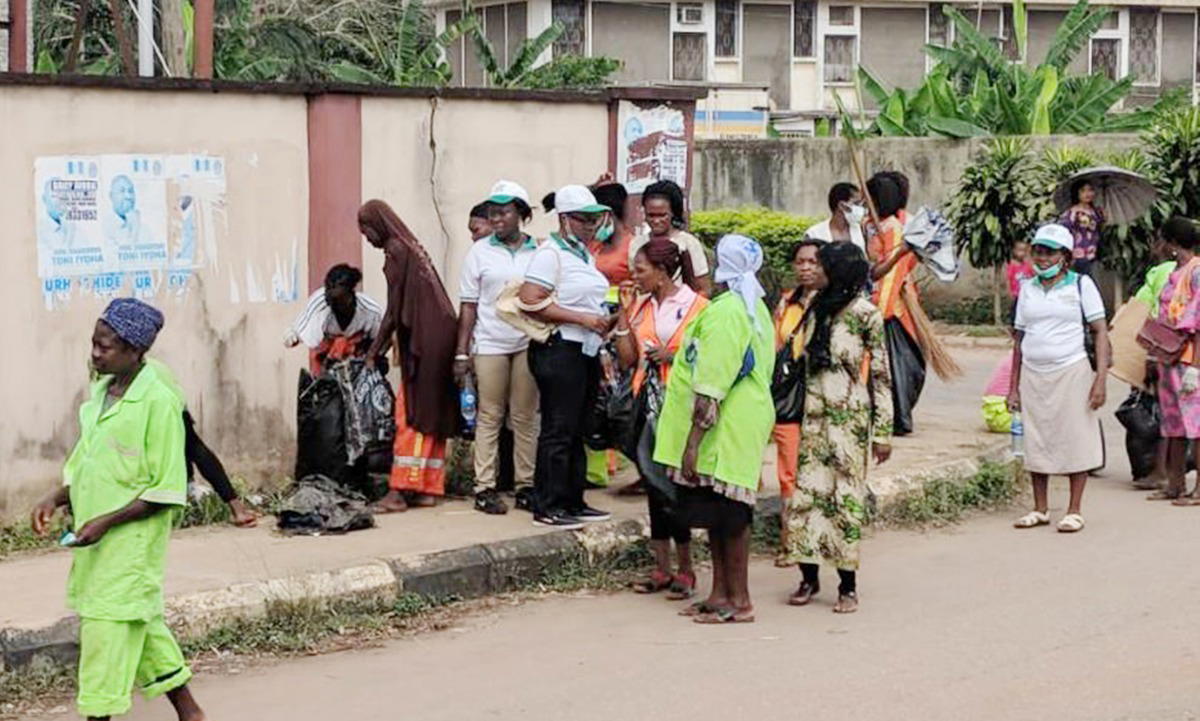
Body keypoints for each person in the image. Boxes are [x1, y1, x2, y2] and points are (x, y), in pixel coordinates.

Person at [31, 298, 205, 721]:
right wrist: (56, 497)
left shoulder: (158, 403)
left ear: (135, 350)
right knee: (138, 623)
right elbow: (90, 462)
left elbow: (165, 488)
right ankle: (190, 712)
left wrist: (107, 522)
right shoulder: (101, 394)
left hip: (130, 545)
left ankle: (98, 715)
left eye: (104, 347)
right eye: (93, 343)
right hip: (97, 542)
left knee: (104, 635)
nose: (94, 354)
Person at [653, 234, 775, 625]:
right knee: (719, 514)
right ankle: (720, 593)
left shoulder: (727, 313)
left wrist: (692, 444)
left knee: (732, 516)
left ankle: (738, 600)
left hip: (725, 427)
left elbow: (712, 384)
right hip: (737, 423)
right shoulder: (751, 306)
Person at [780, 242, 892, 614]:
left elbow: (881, 376)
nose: (815, 271)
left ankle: (847, 584)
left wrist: (883, 432)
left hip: (850, 420)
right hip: (813, 417)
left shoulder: (866, 315)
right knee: (807, 497)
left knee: (845, 499)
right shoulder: (815, 307)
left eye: (823, 265)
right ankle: (808, 576)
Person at [517, 184, 617, 528]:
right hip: (560, 348)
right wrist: (581, 319)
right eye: (583, 219)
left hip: (586, 348)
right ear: (564, 219)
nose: (590, 225)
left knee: (578, 428)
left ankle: (573, 499)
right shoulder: (550, 254)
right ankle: (548, 504)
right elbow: (529, 299)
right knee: (558, 428)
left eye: (594, 219)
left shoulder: (583, 255)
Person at [614, 238, 707, 598]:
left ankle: (686, 568)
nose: (634, 276)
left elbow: (709, 354)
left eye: (641, 270)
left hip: (679, 405)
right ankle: (662, 568)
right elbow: (627, 359)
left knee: (674, 486)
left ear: (663, 271)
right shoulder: (640, 305)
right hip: (647, 404)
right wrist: (623, 315)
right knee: (653, 485)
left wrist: (674, 356)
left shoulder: (697, 306)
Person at [360, 200, 460, 513]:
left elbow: (393, 310)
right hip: (441, 337)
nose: (366, 237)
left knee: (412, 413)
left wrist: (372, 352)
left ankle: (400, 490)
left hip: (425, 342)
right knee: (432, 412)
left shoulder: (395, 250)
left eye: (366, 229)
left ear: (378, 225)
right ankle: (428, 487)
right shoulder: (412, 247)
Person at [1009, 223, 1109, 533]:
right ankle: (1040, 508)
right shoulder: (1028, 288)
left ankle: (1074, 510)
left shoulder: (1081, 285)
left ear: (1065, 257)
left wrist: (1100, 380)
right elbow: (1019, 339)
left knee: (1074, 437)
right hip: (1034, 374)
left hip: (1071, 370)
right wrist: (1013, 387)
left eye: (1049, 253)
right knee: (1037, 440)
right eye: (1038, 252)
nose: (1042, 258)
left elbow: (1100, 331)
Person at [454, 181, 540, 516]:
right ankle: (485, 487)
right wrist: (462, 353)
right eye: (493, 213)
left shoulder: (538, 251)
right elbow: (469, 306)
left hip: (527, 342)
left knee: (524, 416)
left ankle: (525, 485)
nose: (497, 219)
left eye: (504, 212)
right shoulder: (479, 252)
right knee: (490, 415)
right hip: (490, 342)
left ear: (521, 214)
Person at [771, 238, 822, 561]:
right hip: (789, 397)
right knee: (788, 470)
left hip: (822, 398)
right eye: (800, 262)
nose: (806, 268)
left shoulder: (834, 304)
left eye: (813, 262)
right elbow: (775, 348)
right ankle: (790, 541)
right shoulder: (786, 305)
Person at [1147, 217, 1200, 505]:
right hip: (1169, 358)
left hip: (1190, 360)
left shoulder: (1196, 272)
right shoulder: (1175, 273)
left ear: (1172, 243)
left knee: (1197, 426)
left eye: (1162, 240)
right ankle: (1175, 484)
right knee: (1174, 424)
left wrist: (1196, 368)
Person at [866, 171, 924, 436]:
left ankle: (895, 415)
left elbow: (893, 273)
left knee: (893, 363)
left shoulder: (893, 229)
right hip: (872, 298)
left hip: (891, 308)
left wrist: (880, 310)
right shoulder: (871, 224)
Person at [1126, 232, 1176, 491]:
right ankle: (1170, 473)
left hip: (1162, 348)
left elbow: (1148, 310)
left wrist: (1151, 356)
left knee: (1163, 413)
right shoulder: (1189, 270)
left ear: (1169, 245)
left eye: (1158, 241)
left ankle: (1160, 471)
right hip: (1178, 350)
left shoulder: (1163, 273)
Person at [285, 264, 384, 373]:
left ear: (350, 297)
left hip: (359, 356)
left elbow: (380, 339)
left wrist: (369, 356)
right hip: (325, 356)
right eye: (330, 301)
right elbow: (301, 332)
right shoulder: (319, 305)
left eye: (338, 301)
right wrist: (292, 337)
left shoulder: (370, 311)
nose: (333, 306)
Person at [629, 180, 711, 295]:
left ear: (673, 213)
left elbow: (703, 289)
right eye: (651, 215)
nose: (656, 221)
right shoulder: (637, 244)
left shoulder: (689, 243)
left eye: (662, 215)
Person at [1058, 179, 1105, 276]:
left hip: (1093, 253)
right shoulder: (1072, 212)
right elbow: (1064, 231)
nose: (1087, 194)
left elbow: (1099, 229)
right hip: (1077, 254)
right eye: (1083, 191)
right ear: (1077, 193)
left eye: (1090, 190)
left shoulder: (1096, 212)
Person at [802, 182, 867, 251]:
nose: (861, 208)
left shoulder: (862, 231)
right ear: (841, 205)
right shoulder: (814, 234)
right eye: (856, 203)